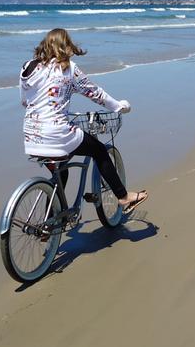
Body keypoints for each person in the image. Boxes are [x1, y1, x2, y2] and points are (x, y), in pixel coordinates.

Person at [21, 28, 148, 214]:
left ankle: (49, 223)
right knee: (99, 151)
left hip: (31, 136)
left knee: (60, 171)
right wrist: (119, 107)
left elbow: (25, 101)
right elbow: (95, 93)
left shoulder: (27, 67)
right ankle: (123, 197)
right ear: (67, 45)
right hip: (56, 133)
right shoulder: (69, 68)